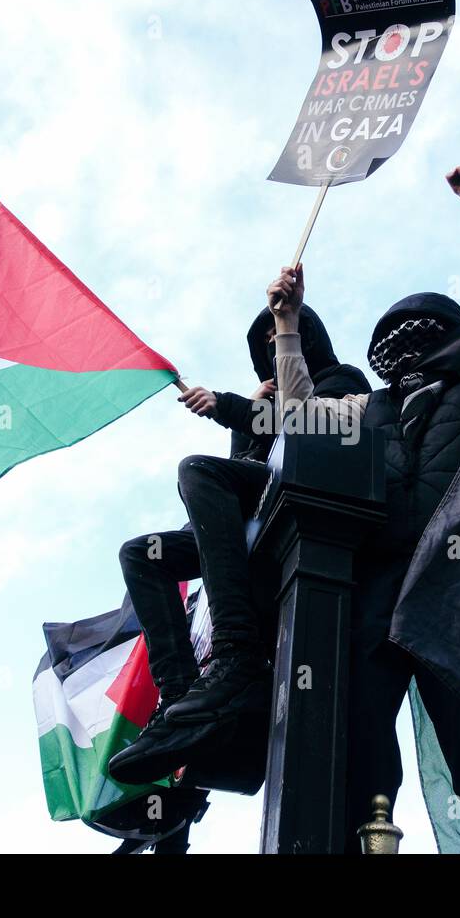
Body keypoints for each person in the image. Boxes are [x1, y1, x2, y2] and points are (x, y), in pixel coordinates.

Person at [267, 163, 460, 852]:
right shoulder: (370, 407)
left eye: (419, 327)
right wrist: (286, 324)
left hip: (457, 596)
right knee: (356, 763)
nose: (406, 340)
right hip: (378, 598)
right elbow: (299, 418)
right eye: (394, 333)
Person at [108, 305, 368, 784]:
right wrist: (245, 421)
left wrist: (230, 406)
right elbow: (240, 477)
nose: (273, 344)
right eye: (263, 340)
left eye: (280, 335)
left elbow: (306, 427)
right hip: (249, 521)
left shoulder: (341, 378)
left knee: (197, 468)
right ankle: (182, 697)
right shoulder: (260, 405)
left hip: (297, 509)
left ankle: (236, 655)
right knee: (140, 555)